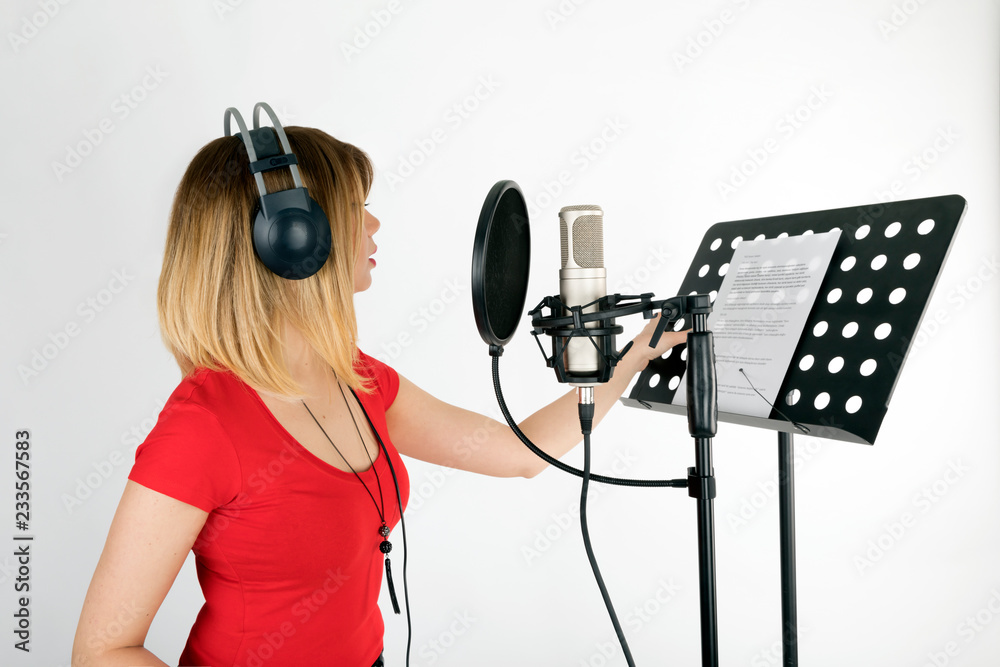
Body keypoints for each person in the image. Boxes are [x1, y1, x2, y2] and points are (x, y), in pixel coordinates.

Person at [71, 112, 687, 667]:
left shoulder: (362, 381)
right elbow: (101, 651)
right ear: (292, 237)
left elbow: (520, 454)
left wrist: (630, 359)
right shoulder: (203, 425)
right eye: (354, 206)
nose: (375, 223)